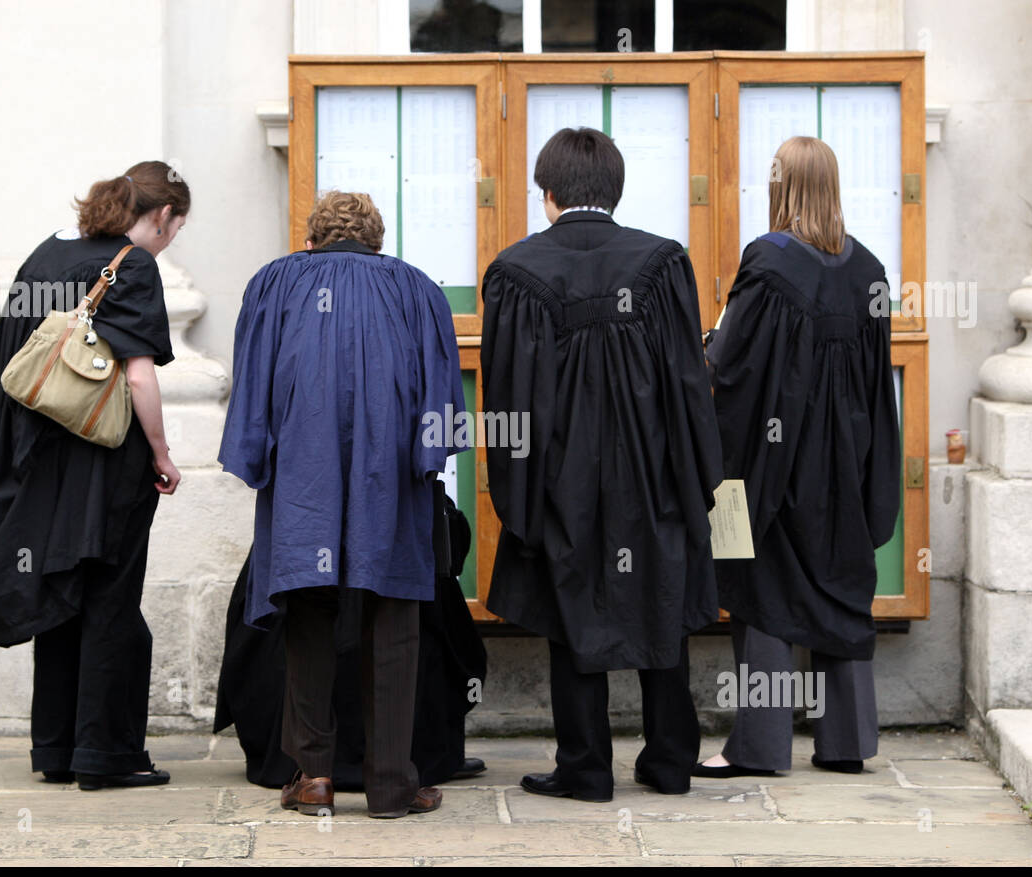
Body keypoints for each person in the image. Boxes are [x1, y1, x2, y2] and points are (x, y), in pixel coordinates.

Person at [480, 127, 723, 803]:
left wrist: (518, 498)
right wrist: (699, 475)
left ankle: (585, 767)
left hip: (564, 479)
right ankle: (671, 761)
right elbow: (687, 382)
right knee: (662, 601)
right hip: (653, 473)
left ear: (548, 193)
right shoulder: (664, 263)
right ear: (614, 190)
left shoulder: (515, 272)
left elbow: (507, 401)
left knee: (571, 609)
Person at [219, 190, 466, 818]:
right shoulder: (416, 289)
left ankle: (316, 777)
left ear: (313, 238)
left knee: (306, 618)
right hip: (391, 478)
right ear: (377, 240)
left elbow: (250, 377)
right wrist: (430, 459)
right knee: (394, 622)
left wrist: (252, 455)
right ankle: (390, 784)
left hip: (305, 478)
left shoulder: (275, 283)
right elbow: (442, 393)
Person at [0, 160, 188, 790]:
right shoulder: (133, 264)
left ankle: (56, 750)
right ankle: (105, 756)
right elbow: (139, 375)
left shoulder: (44, 254)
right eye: (175, 229)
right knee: (111, 602)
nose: (169, 243)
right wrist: (163, 454)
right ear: (162, 215)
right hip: (105, 463)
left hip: (39, 462)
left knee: (57, 597)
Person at [696, 135, 901, 778]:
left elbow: (732, 365)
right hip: (845, 461)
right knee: (842, 584)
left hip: (775, 461)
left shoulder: (770, 261)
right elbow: (875, 382)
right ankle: (846, 741)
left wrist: (705, 345)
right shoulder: (869, 270)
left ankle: (758, 745)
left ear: (781, 187)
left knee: (765, 590)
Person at [213, 489, 487, 788]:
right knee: (392, 610)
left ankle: (313, 774)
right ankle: (391, 777)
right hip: (379, 497)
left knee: (306, 605)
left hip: (312, 498)